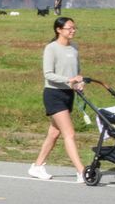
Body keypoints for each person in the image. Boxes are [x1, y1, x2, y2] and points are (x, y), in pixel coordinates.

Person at [28, 16, 89, 182]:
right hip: (53, 94)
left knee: (54, 133)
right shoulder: (51, 48)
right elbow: (48, 74)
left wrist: (79, 81)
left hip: (68, 94)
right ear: (59, 30)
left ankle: (37, 166)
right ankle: (81, 171)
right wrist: (69, 80)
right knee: (69, 133)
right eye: (69, 28)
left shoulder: (74, 47)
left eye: (74, 28)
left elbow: (77, 71)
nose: (73, 31)